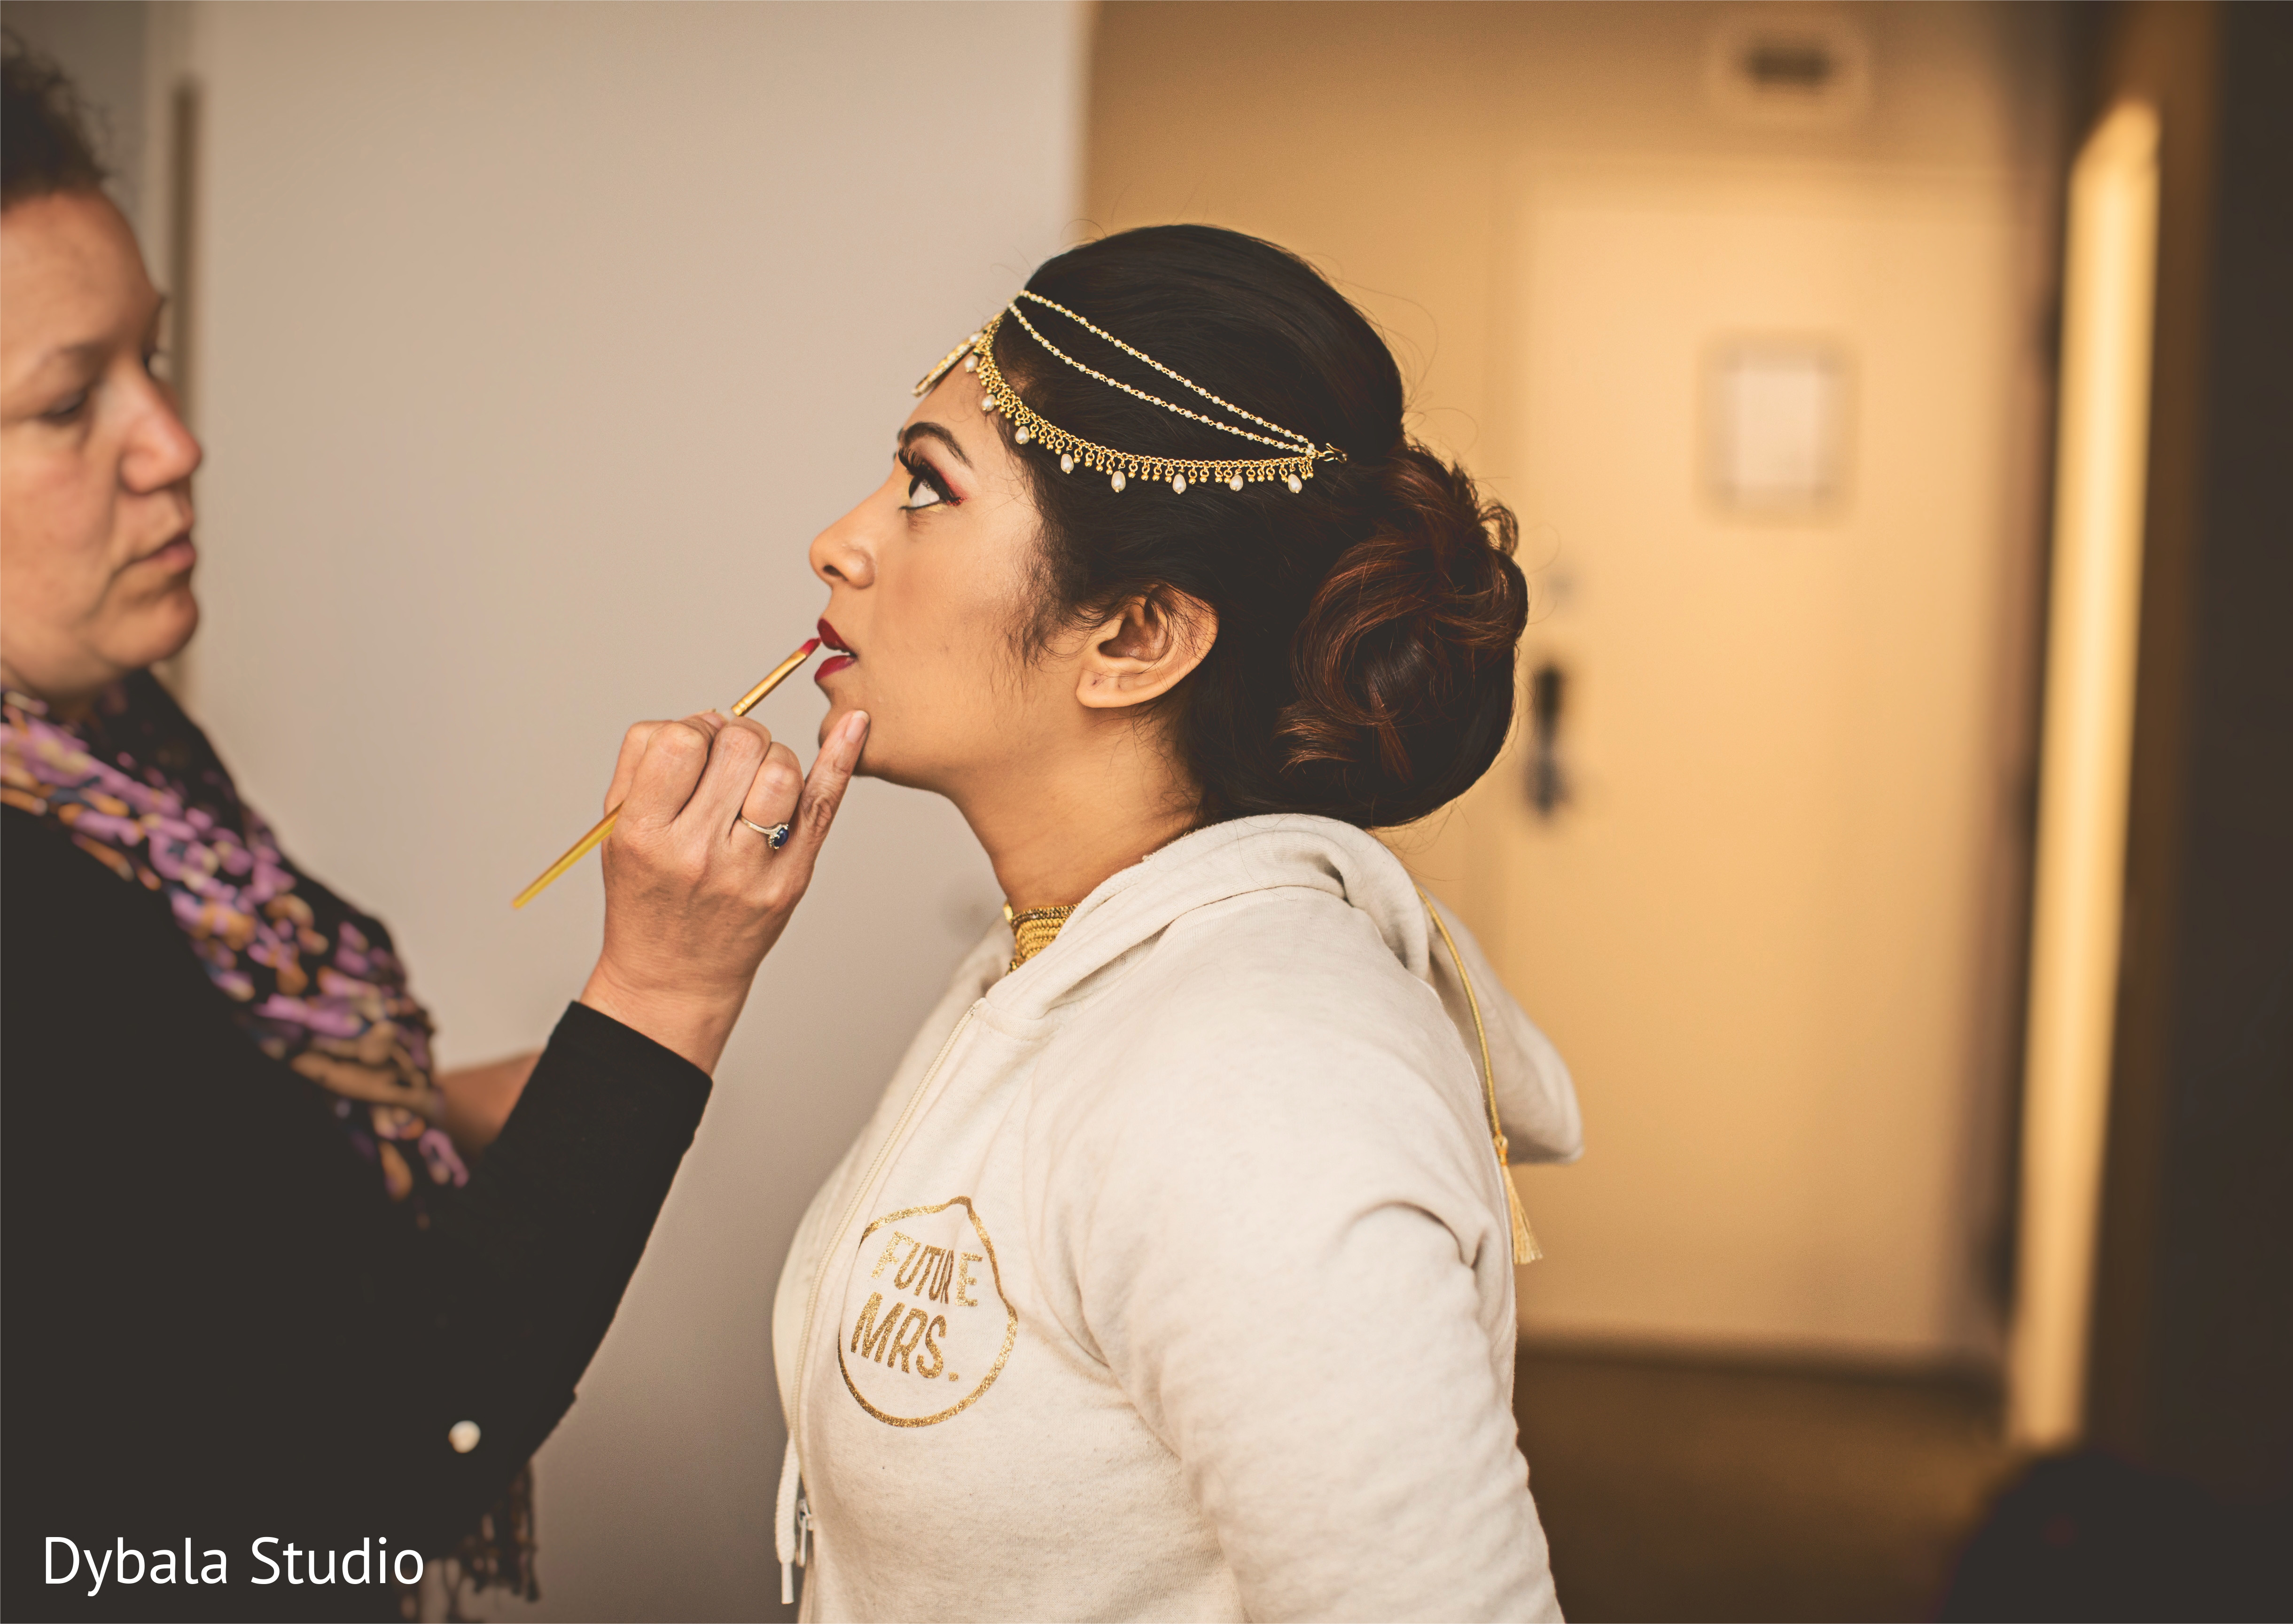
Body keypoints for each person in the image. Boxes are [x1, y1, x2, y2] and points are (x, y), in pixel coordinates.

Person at [0, 37, 864, 1621]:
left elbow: (223, 1143)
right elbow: (345, 1469)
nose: (172, 441)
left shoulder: (101, 737)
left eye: (156, 357)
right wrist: (654, 1005)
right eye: (68, 404)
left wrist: (527, 1090)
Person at [769, 225, 1582, 1621]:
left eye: (923, 489)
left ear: (1137, 636)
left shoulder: (1260, 1082)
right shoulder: (1068, 959)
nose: (838, 541)